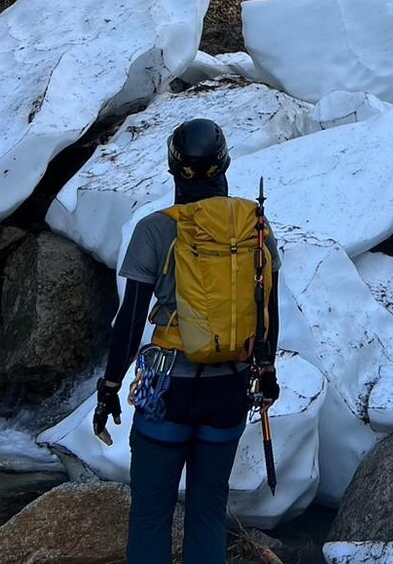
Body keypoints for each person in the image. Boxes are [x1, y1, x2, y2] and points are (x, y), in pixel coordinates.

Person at [93, 118, 281, 564]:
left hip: (167, 390)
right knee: (209, 514)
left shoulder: (155, 230)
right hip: (230, 387)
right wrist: (266, 370)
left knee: (150, 517)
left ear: (173, 168)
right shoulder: (255, 227)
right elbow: (268, 310)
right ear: (224, 166)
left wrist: (110, 387)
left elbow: (130, 319)